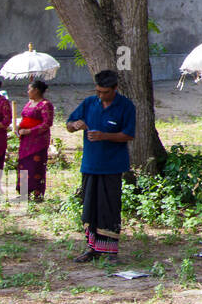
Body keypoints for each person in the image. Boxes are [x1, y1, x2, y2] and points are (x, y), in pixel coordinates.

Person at [65, 70, 135, 262]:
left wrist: (104, 136)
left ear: (114, 89)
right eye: (98, 92)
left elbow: (129, 134)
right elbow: (68, 124)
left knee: (109, 207)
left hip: (112, 166)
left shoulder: (126, 106)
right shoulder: (89, 103)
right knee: (90, 208)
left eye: (105, 92)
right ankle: (92, 247)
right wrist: (75, 125)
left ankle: (110, 250)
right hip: (90, 165)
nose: (101, 96)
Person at [16, 79, 54, 201]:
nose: (28, 92)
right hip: (25, 140)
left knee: (35, 166)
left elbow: (47, 123)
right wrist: (19, 127)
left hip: (38, 141)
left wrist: (30, 131)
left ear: (36, 90)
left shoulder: (45, 105)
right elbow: (25, 118)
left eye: (30, 89)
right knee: (24, 165)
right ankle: (24, 193)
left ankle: (37, 194)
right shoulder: (29, 103)